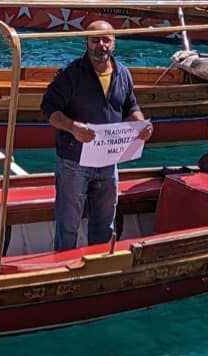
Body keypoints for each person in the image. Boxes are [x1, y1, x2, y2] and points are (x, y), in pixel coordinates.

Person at [41, 20, 153, 251]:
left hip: (108, 162)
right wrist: (73, 128)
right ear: (86, 42)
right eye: (95, 40)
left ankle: (98, 264)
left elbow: (130, 106)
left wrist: (141, 125)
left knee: (105, 223)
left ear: (114, 43)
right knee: (68, 224)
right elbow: (49, 110)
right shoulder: (69, 75)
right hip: (74, 162)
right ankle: (63, 266)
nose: (100, 45)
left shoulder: (123, 73)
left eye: (106, 40)